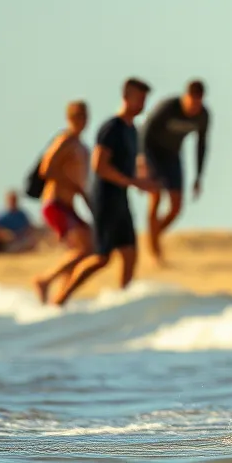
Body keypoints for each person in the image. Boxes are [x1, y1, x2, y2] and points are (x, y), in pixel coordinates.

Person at [53, 79, 157, 306]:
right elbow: (99, 165)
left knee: (130, 252)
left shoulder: (132, 130)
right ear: (127, 97)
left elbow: (131, 165)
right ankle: (60, 299)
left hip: (121, 197)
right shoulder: (112, 127)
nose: (142, 104)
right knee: (101, 257)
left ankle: (122, 303)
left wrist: (142, 181)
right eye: (139, 98)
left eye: (144, 99)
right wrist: (132, 182)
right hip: (106, 199)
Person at [140, 79, 210, 262]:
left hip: (172, 155)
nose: (193, 108)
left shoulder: (203, 116)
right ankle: (153, 247)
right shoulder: (168, 107)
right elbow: (145, 131)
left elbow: (201, 145)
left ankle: (153, 235)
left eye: (197, 104)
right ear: (185, 97)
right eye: (191, 103)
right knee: (155, 196)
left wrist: (198, 177)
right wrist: (141, 161)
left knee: (176, 206)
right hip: (152, 152)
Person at [32, 101, 93, 302]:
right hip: (55, 203)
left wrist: (88, 202)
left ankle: (61, 297)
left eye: (84, 116)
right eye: (77, 117)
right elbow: (45, 169)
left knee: (84, 248)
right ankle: (45, 281)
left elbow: (82, 182)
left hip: (69, 206)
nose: (82, 121)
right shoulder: (65, 140)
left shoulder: (82, 146)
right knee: (85, 248)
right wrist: (71, 184)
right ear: (69, 118)